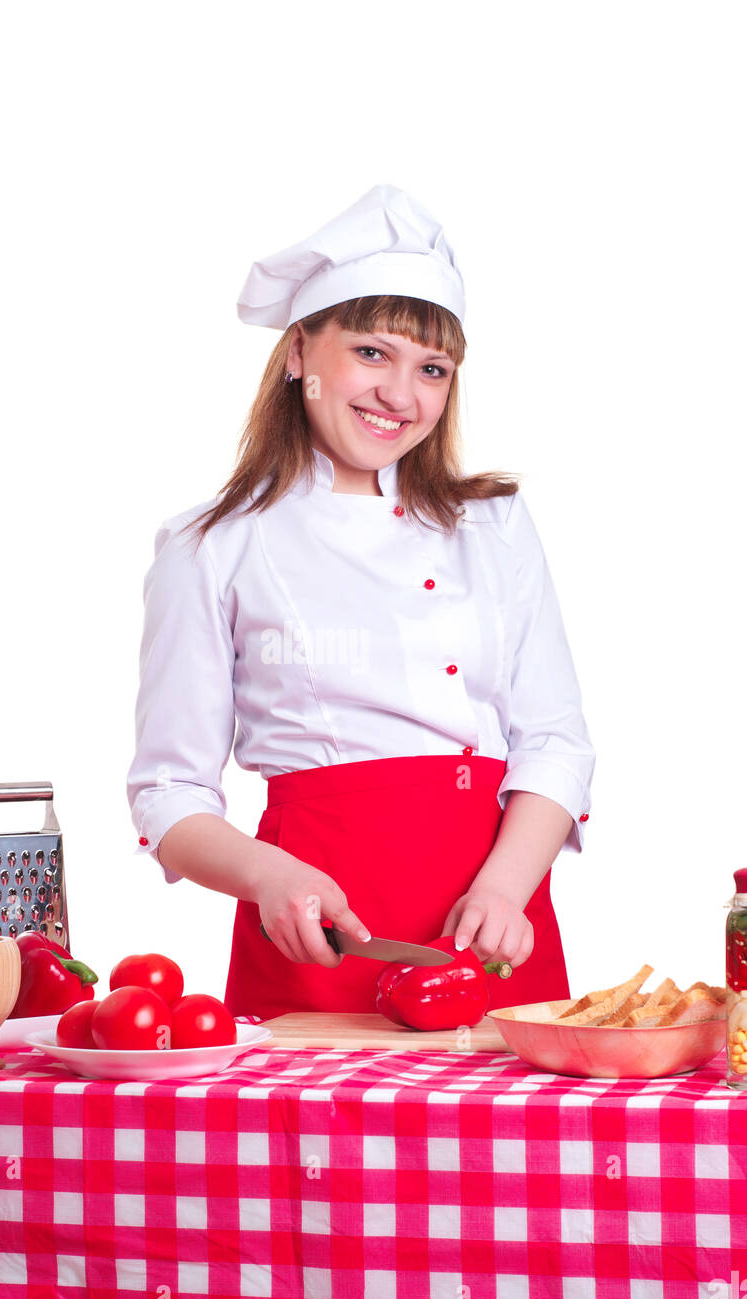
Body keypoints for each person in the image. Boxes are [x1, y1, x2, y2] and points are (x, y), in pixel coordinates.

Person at [127, 185, 595, 1021]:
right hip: (320, 927)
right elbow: (169, 791)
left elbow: (555, 740)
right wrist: (268, 877)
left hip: (494, 926)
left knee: (510, 1152)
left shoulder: (491, 525)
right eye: (371, 353)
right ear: (299, 351)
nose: (400, 394)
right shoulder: (210, 546)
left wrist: (503, 888)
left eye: (431, 370)